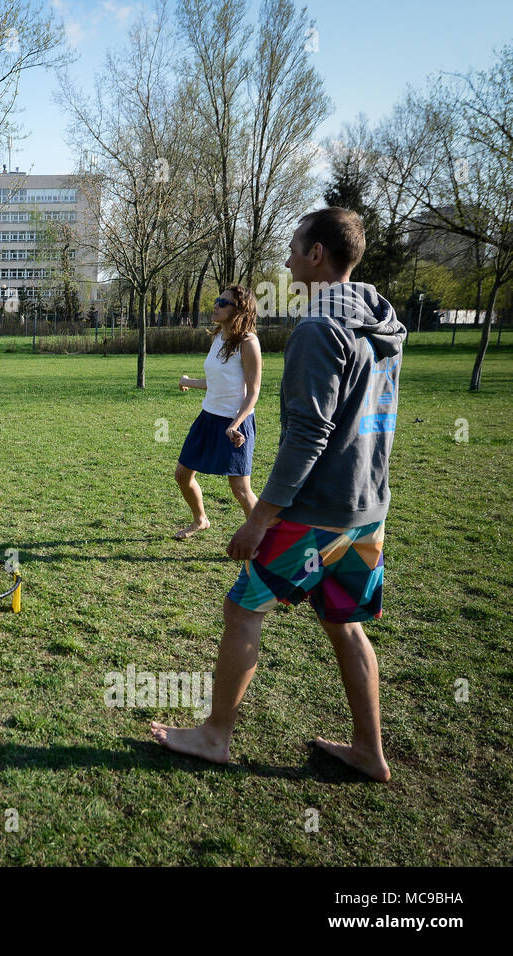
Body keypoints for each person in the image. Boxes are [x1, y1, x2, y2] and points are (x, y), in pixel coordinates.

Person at [152, 207, 406, 782]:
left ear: (317, 255)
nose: (288, 261)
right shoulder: (380, 325)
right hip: (368, 509)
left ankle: (215, 736)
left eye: (295, 249)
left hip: (316, 512)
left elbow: (309, 434)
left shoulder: (319, 330)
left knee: (241, 608)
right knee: (343, 623)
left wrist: (260, 519)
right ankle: (370, 752)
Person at [173, 286, 261, 539]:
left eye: (223, 302)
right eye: (216, 300)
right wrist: (189, 381)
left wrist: (236, 424)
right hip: (207, 418)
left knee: (241, 489)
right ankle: (200, 520)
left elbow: (253, 391)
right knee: (182, 475)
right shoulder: (219, 337)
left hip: (235, 423)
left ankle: (261, 541)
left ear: (239, 309)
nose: (216, 305)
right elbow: (218, 381)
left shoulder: (248, 342)